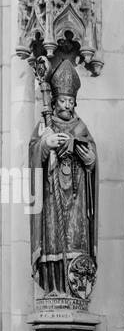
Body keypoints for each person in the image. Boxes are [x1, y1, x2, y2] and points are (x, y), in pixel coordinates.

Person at [29, 60, 98, 300]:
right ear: (55, 101)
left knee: (75, 237)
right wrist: (45, 145)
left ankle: (75, 289)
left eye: (71, 101)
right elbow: (33, 153)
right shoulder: (44, 126)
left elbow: (92, 157)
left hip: (77, 197)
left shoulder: (81, 127)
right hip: (51, 194)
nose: (67, 105)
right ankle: (54, 288)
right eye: (62, 101)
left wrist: (90, 162)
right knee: (54, 239)